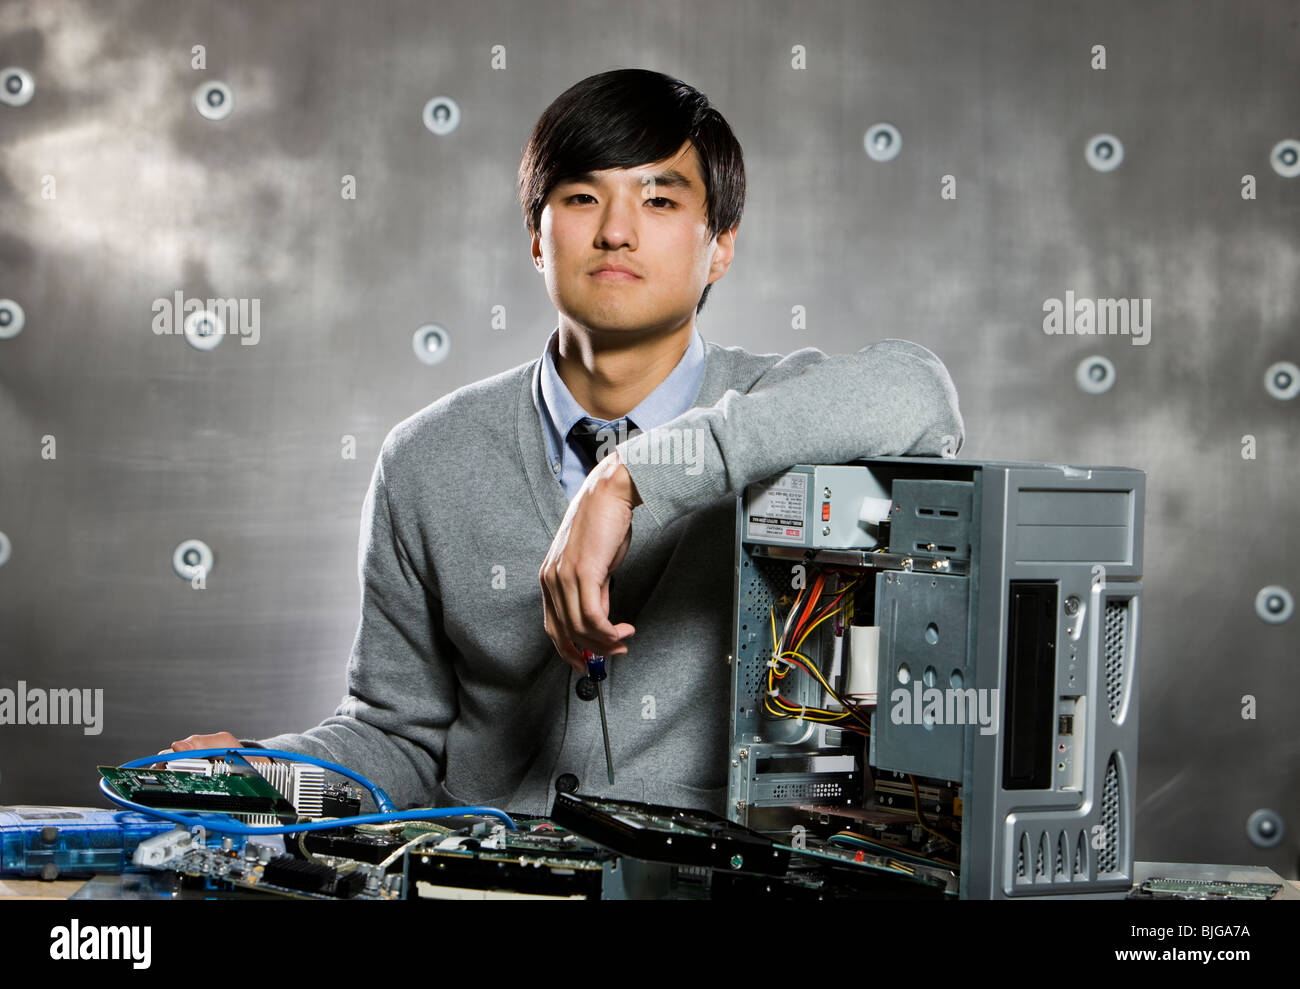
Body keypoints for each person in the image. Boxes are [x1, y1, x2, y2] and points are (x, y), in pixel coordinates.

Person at [166, 68, 964, 817]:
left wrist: (631, 476)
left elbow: (917, 391)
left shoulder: (771, 409)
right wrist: (269, 774)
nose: (616, 231)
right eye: (582, 197)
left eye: (658, 201)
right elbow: (396, 735)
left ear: (719, 244)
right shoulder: (426, 458)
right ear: (539, 238)